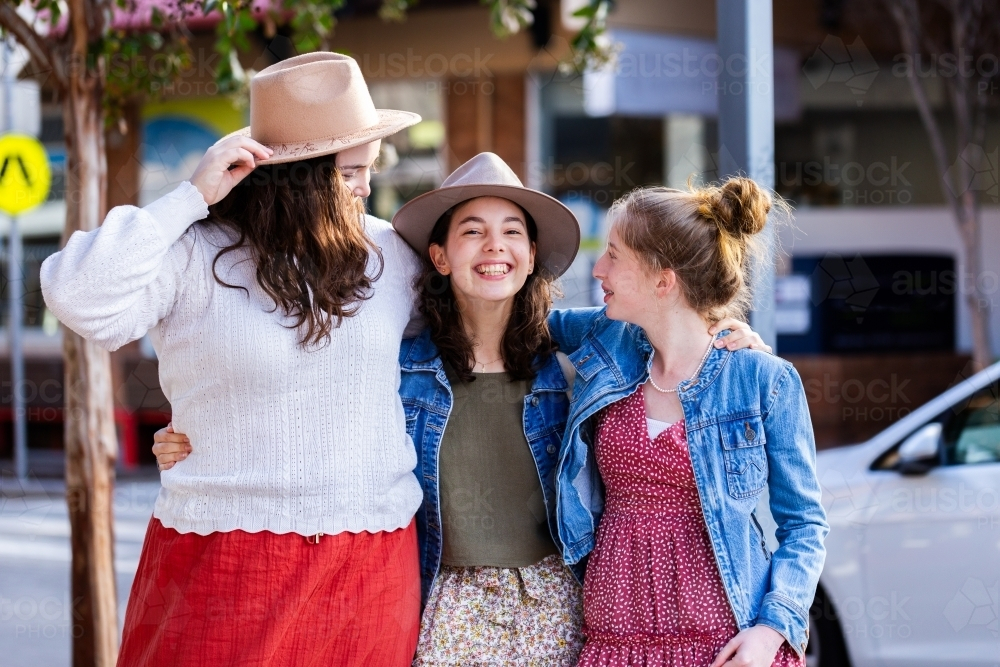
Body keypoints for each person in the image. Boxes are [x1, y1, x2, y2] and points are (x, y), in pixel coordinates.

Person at [153, 153, 773, 664]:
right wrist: (200, 436)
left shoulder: (582, 351)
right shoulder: (399, 362)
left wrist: (728, 335)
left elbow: (668, 328)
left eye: (512, 232)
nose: (494, 246)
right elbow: (299, 404)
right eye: (473, 230)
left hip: (557, 598)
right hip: (445, 605)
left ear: (531, 256)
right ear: (442, 258)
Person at [41, 52, 425, 666]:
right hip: (224, 554)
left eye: (370, 169)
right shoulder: (194, 253)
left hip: (372, 555)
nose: (367, 188)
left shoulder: (388, 254)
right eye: (352, 172)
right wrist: (189, 197)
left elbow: (463, 350)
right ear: (303, 178)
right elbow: (77, 293)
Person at [548, 180, 829, 667]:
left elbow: (805, 524)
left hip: (724, 643)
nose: (598, 270)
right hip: (615, 641)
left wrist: (771, 632)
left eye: (614, 255)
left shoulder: (764, 380)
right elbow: (515, 321)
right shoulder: (606, 337)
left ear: (664, 280)